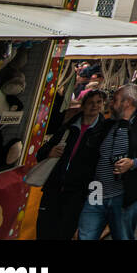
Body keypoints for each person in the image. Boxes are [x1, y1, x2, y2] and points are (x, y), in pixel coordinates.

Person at [78, 84, 137, 240]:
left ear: (127, 102)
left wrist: (133, 163)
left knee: (122, 236)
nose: (110, 103)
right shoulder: (110, 122)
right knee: (86, 235)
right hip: (97, 191)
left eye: (115, 100)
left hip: (124, 195)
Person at [37, 88, 107, 240]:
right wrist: (49, 152)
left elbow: (102, 165)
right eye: (90, 102)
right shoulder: (69, 127)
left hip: (78, 192)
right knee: (44, 230)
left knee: (65, 232)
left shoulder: (104, 131)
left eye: (98, 102)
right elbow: (41, 152)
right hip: (54, 188)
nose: (95, 106)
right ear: (83, 105)